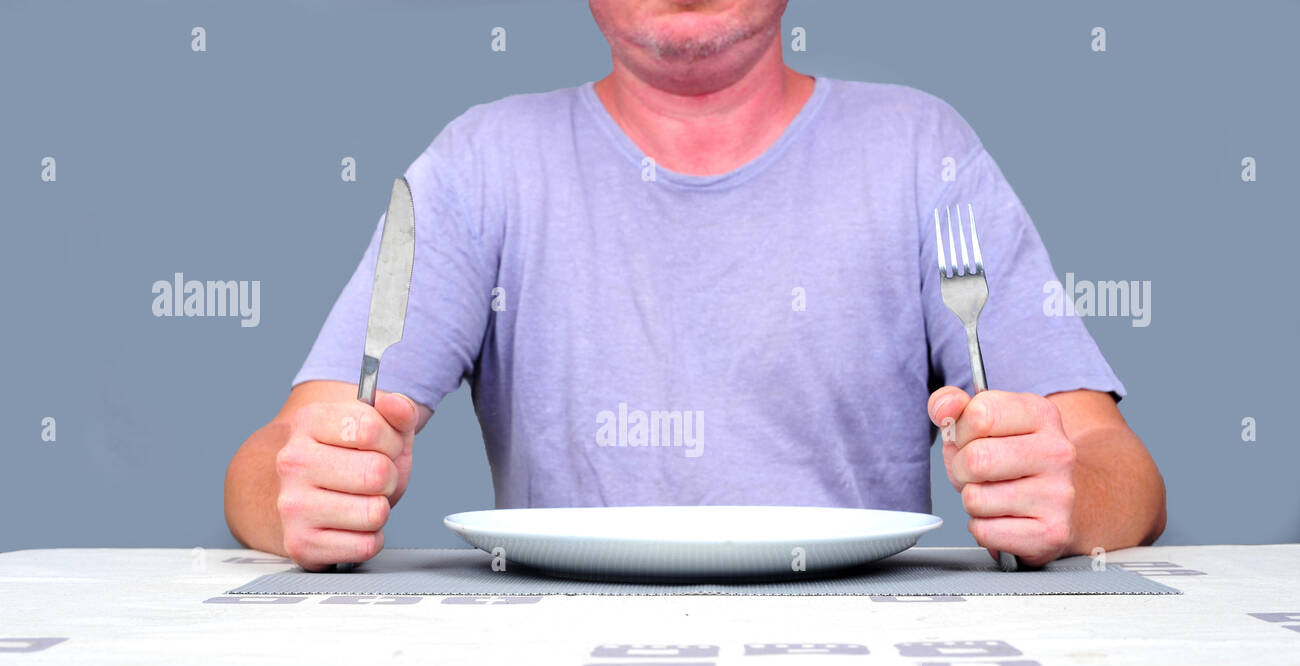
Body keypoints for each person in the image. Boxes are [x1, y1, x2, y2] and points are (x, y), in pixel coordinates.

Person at [225, 0, 1165, 572]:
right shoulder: (480, 166)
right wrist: (305, 493)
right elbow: (274, 464)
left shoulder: (926, 153)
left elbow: (1125, 474)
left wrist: (1070, 497)